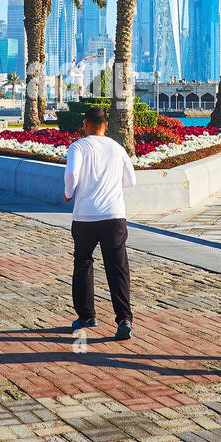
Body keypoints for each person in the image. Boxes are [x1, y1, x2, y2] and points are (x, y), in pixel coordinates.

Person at [63, 106, 136, 340]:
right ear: (106, 126)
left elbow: (72, 174)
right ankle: (124, 318)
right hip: (114, 216)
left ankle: (86, 315)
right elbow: (131, 181)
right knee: (117, 267)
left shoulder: (77, 147)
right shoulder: (117, 148)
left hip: (85, 216)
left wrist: (68, 193)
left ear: (85, 125)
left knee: (83, 262)